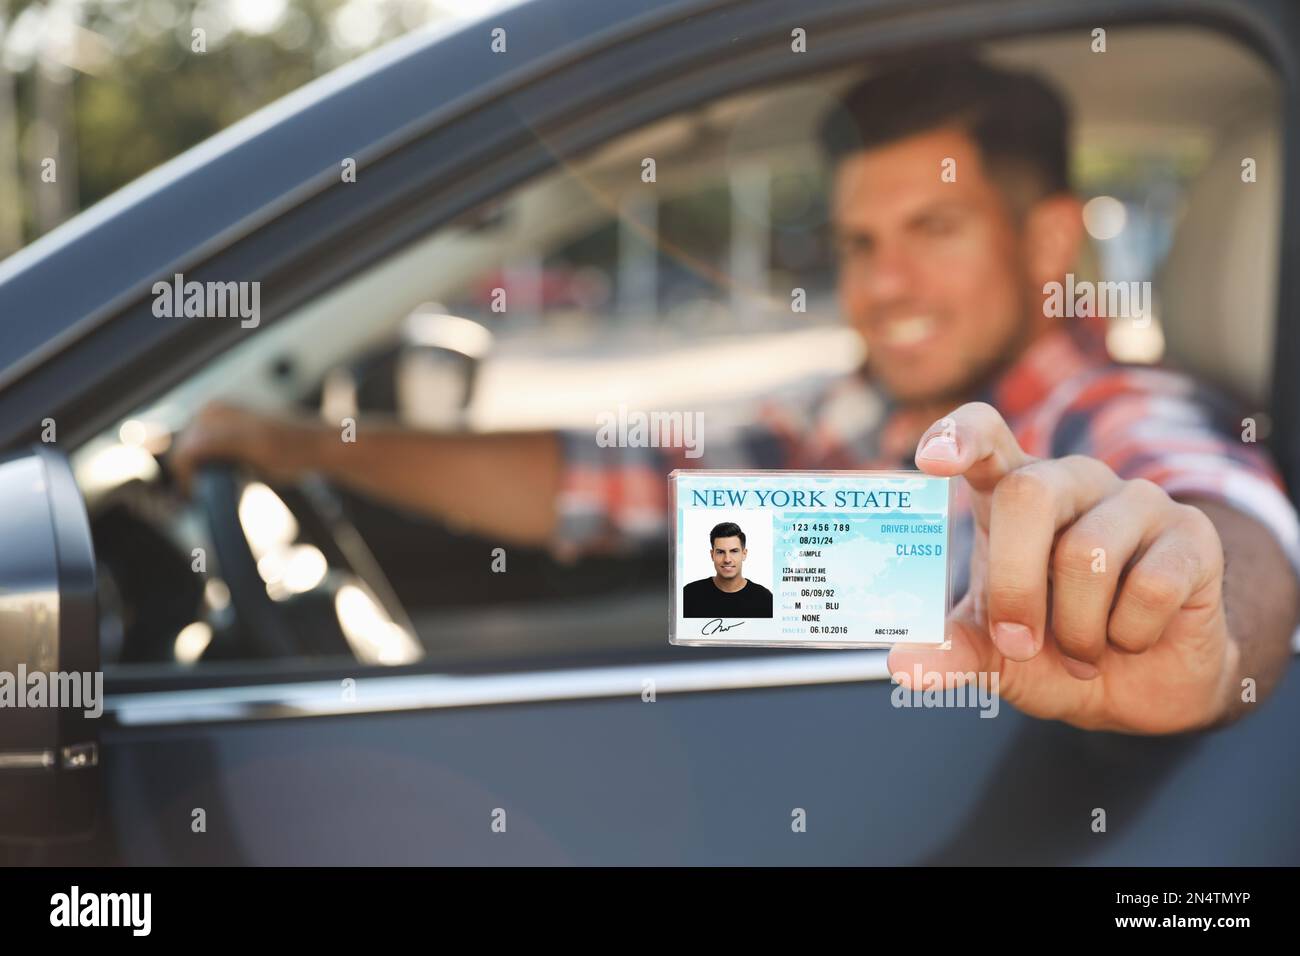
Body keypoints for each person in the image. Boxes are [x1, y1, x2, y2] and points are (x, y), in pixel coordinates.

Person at [172, 57, 1300, 736]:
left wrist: (1209, 633)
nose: (881, 281)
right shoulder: (846, 419)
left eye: (933, 231)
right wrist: (308, 446)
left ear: (1049, 240)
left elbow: (1221, 522)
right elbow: (595, 480)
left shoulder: (1102, 414)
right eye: (858, 240)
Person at [682, 521, 774, 619]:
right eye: (720, 552)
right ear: (712, 555)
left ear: (744, 554)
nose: (727, 559)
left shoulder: (764, 599)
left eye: (734, 551)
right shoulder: (689, 595)